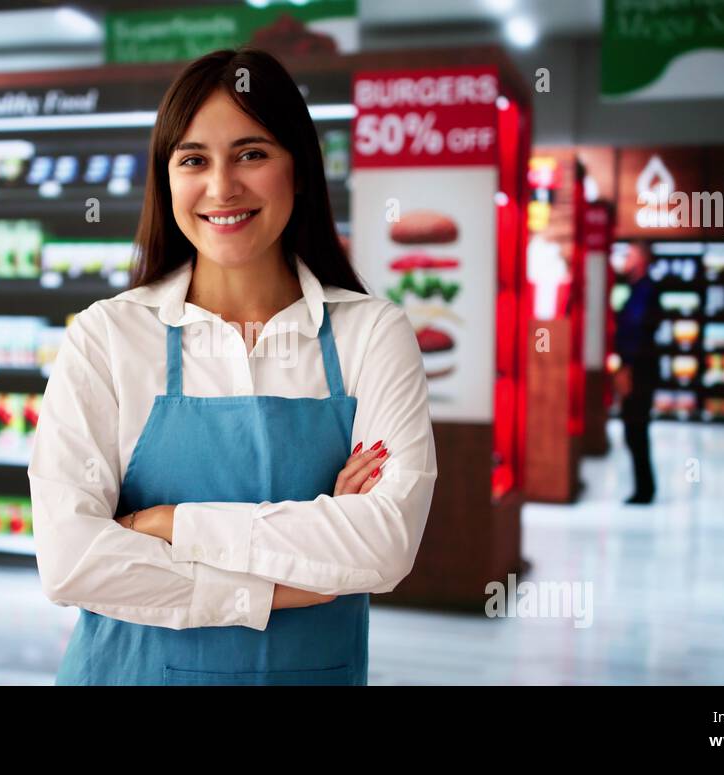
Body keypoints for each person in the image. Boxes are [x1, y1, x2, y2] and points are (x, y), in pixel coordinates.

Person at [29, 47, 438, 686]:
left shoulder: (371, 334)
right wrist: (275, 588)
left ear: (299, 171)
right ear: (167, 181)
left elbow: (383, 545)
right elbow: (71, 561)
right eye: (194, 160)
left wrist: (168, 525)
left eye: (252, 153)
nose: (222, 187)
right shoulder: (107, 337)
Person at [612, 241, 660, 505]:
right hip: (636, 367)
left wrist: (626, 365)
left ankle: (645, 489)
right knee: (634, 429)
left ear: (641, 260)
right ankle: (644, 487)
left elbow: (635, 328)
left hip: (638, 370)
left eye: (628, 255)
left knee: (636, 428)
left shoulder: (645, 291)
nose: (624, 260)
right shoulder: (637, 290)